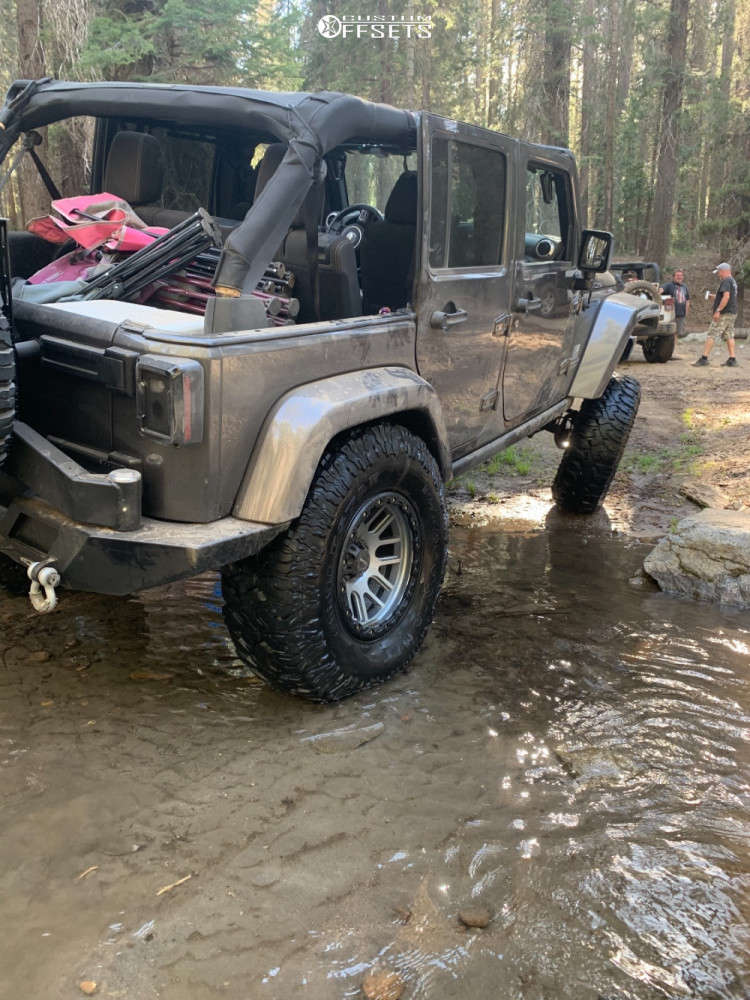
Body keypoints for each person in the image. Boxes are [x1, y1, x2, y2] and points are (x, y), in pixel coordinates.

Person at [694, 262, 738, 367]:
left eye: (719, 272)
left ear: (724, 271)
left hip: (724, 313)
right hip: (732, 312)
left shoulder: (726, 281)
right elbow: (726, 297)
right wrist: (713, 297)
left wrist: (718, 310)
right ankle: (732, 359)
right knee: (729, 335)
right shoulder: (733, 281)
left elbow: (726, 297)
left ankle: (704, 358)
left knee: (712, 333)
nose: (719, 274)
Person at [660, 268, 690, 338]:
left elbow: (687, 300)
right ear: (674, 277)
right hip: (670, 314)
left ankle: (674, 348)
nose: (679, 277)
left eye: (681, 275)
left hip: (681, 314)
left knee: (677, 333)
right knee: (670, 333)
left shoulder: (684, 287)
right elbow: (660, 290)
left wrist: (686, 312)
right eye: (677, 275)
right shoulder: (668, 285)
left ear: (683, 277)